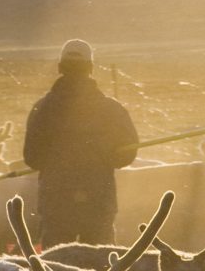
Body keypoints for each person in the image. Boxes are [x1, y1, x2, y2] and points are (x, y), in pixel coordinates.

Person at [21, 39, 139, 245]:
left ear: (60, 68)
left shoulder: (42, 109)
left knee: (56, 266)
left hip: (56, 201)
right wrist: (102, 158)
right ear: (91, 69)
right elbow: (128, 153)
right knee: (99, 265)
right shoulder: (112, 109)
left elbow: (32, 157)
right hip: (99, 200)